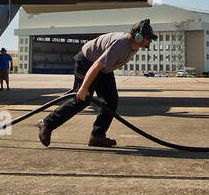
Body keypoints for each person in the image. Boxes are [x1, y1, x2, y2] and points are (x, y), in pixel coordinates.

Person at [37, 19, 156, 148]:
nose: (150, 41)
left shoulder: (134, 46)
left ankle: (97, 136)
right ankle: (47, 124)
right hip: (87, 62)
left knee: (111, 101)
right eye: (148, 38)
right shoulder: (122, 44)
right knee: (81, 99)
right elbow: (97, 65)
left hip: (103, 68)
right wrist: (83, 88)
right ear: (138, 37)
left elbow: (103, 65)